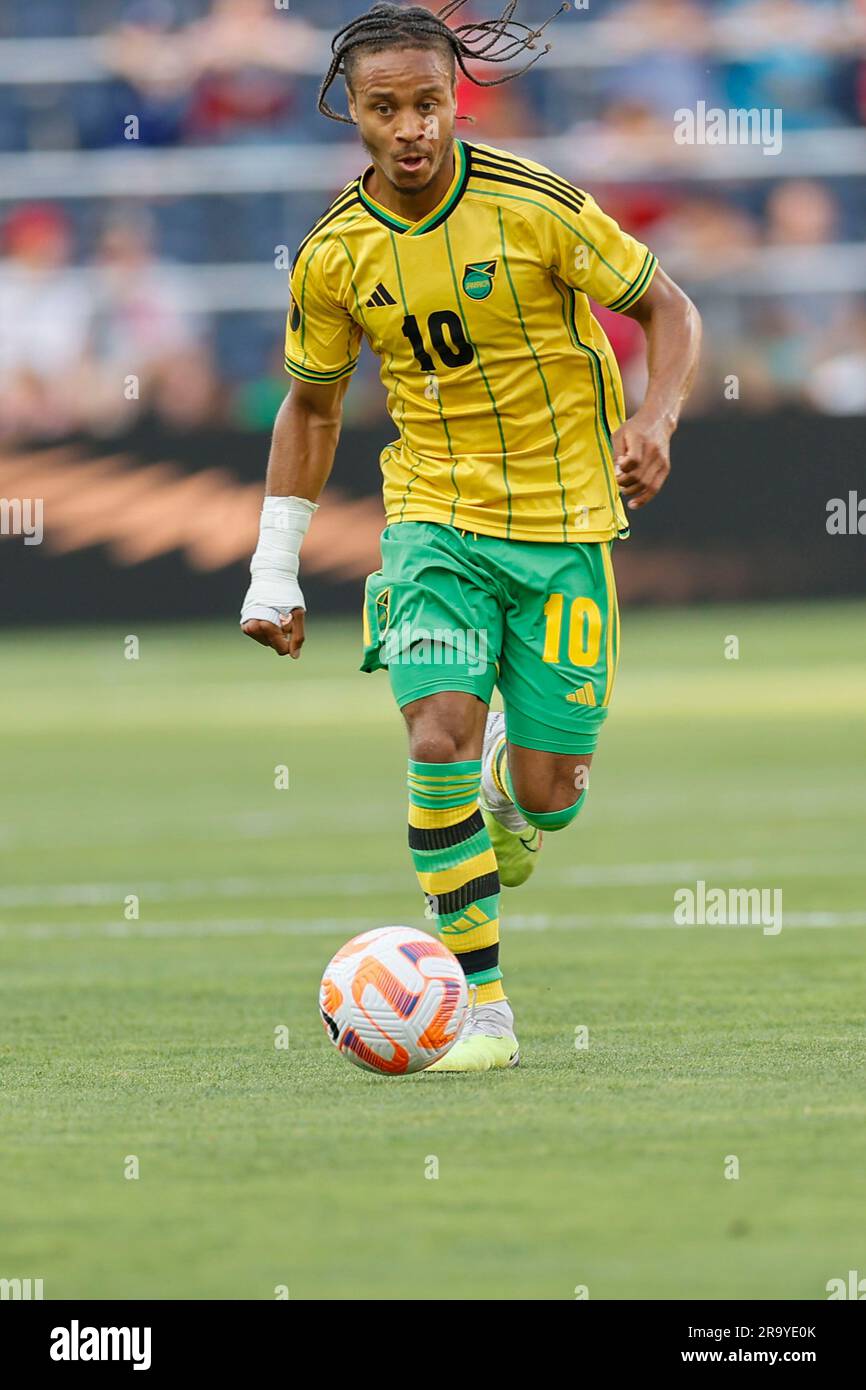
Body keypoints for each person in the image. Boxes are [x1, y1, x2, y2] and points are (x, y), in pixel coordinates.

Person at [240, 1, 701, 1071]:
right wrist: (274, 568)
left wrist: (654, 417)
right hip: (434, 523)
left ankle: (513, 790)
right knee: (435, 731)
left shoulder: (534, 205)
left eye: (428, 102)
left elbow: (667, 308)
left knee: (550, 794)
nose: (410, 127)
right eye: (384, 107)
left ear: (457, 98)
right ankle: (480, 1005)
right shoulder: (333, 254)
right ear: (347, 110)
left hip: (565, 525)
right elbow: (310, 408)